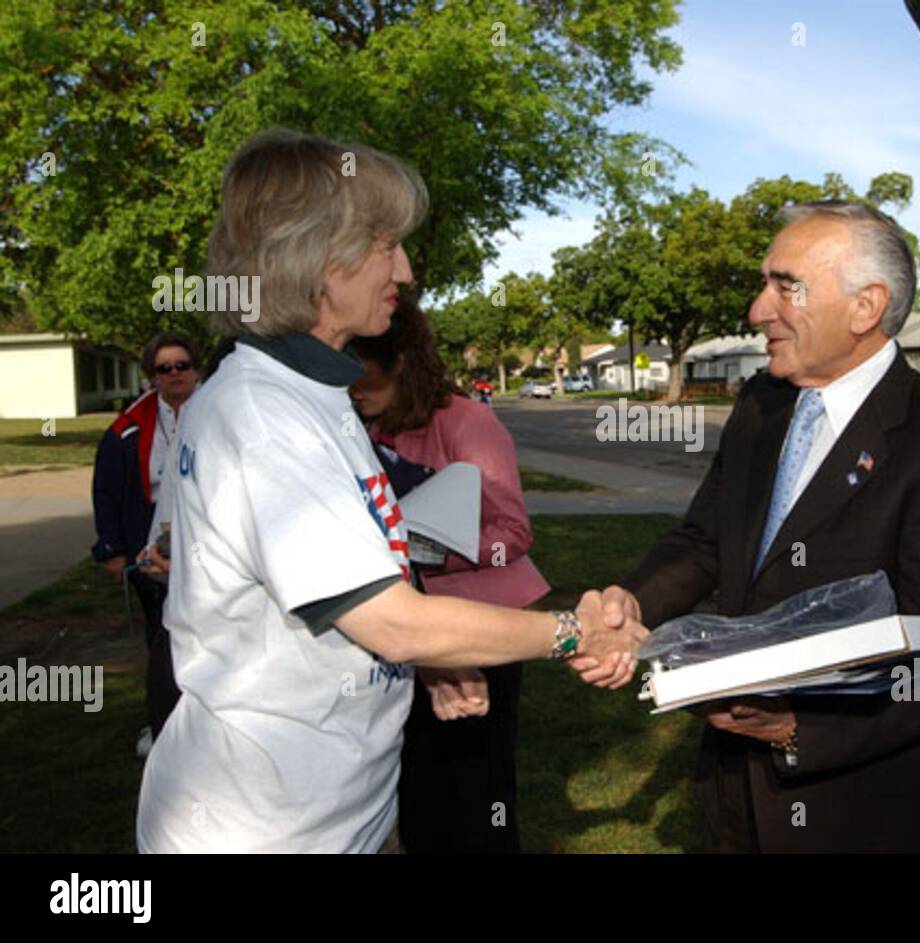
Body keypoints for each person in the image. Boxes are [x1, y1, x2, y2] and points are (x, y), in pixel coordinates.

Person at [135, 129, 643, 854]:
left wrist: (428, 659)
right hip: (263, 826)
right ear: (319, 256)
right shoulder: (264, 414)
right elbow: (391, 620)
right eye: (385, 244)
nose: (402, 269)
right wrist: (573, 631)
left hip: (334, 812)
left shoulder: (313, 394)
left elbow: (349, 596)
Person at [580, 201, 920, 853]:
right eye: (765, 284)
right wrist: (633, 599)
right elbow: (705, 541)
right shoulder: (762, 403)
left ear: (866, 306)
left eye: (787, 286)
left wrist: (794, 727)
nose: (758, 310)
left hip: (869, 810)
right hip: (735, 792)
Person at [350, 299, 549, 853]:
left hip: (479, 632)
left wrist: (433, 549)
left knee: (477, 796)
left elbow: (514, 534)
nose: (355, 395)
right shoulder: (361, 428)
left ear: (403, 364)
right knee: (418, 793)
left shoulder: (466, 421)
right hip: (403, 635)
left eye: (365, 382)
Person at [91, 330, 199, 745]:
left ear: (195, 368)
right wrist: (112, 550)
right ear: (152, 376)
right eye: (164, 368)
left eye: (182, 365)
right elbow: (107, 491)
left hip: (204, 539)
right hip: (149, 539)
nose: (174, 375)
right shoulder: (128, 429)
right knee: (161, 632)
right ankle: (164, 720)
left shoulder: (217, 411)